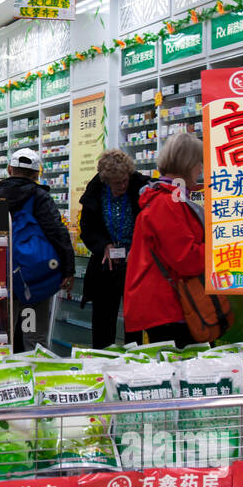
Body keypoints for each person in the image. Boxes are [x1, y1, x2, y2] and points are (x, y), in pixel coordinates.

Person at [123, 133, 207, 348]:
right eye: (199, 163)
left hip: (167, 304)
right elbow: (186, 259)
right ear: (188, 164)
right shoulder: (168, 202)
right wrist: (221, 250)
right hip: (167, 307)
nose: (201, 169)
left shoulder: (166, 197)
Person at [0, 148, 75, 352]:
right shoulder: (40, 197)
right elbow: (57, 231)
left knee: (4, 334)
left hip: (1, 276)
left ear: (9, 169)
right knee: (34, 335)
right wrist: (68, 270)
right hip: (35, 277)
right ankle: (35, 375)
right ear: (36, 174)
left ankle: (0, 378)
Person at [78, 149, 150, 348]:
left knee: (135, 323)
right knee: (103, 324)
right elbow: (87, 229)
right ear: (106, 181)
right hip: (106, 266)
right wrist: (104, 246)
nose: (123, 186)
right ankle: (103, 364)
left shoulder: (141, 186)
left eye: (125, 181)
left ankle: (135, 367)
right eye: (117, 183)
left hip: (136, 266)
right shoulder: (95, 192)